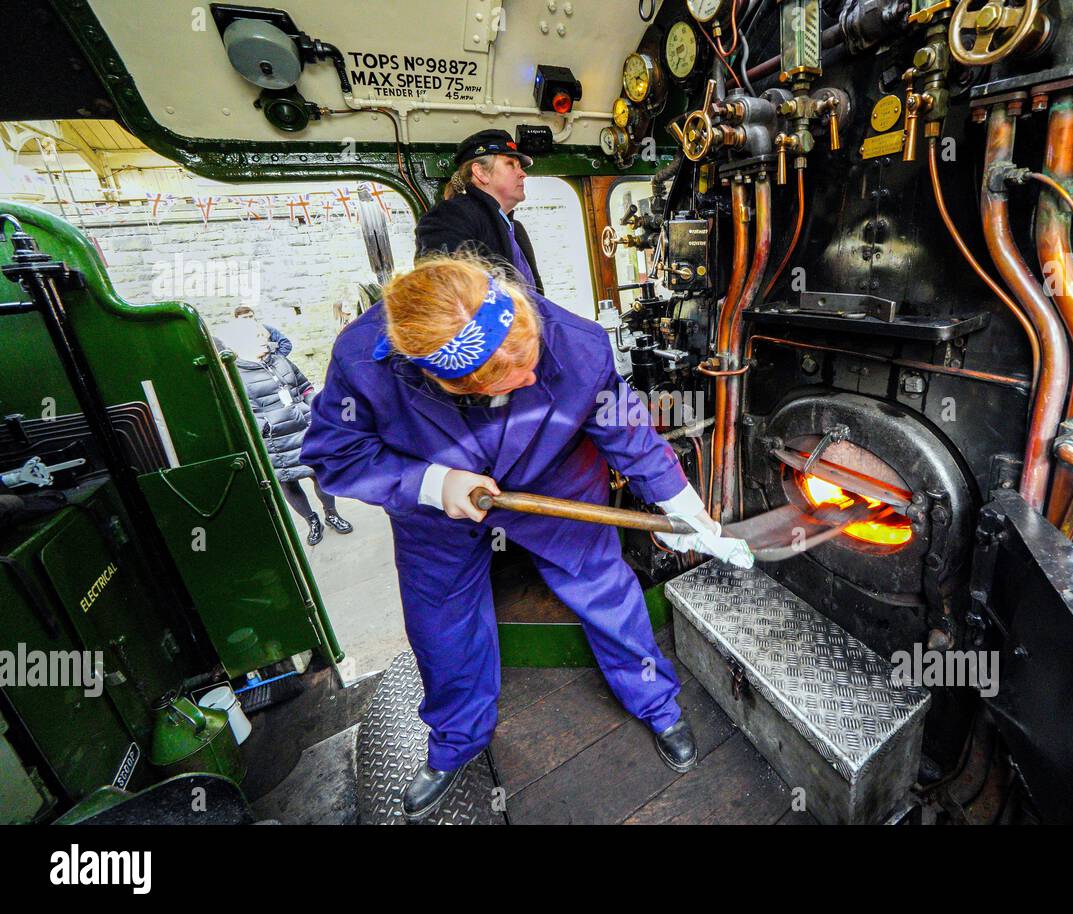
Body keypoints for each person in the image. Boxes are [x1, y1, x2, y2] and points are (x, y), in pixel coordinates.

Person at [300, 254, 750, 820]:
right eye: (514, 379)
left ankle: (657, 705)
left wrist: (689, 512)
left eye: (533, 359)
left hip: (555, 483)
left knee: (604, 589)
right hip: (433, 507)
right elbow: (335, 455)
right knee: (440, 622)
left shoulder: (575, 343)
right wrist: (434, 484)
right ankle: (455, 743)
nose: (536, 378)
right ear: (444, 382)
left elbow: (627, 431)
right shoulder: (363, 361)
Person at [222, 319, 354, 546]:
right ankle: (312, 521)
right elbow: (245, 410)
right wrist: (268, 425)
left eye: (263, 336)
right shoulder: (236, 374)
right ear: (241, 343)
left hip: (304, 429)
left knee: (319, 474)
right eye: (258, 337)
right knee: (289, 483)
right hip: (275, 441)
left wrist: (315, 409)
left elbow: (304, 387)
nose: (265, 340)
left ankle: (331, 514)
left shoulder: (280, 360)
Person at [414, 129, 544, 294]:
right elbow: (445, 292)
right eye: (510, 165)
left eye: (520, 167)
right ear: (481, 173)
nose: (523, 174)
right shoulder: (452, 216)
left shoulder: (516, 230)